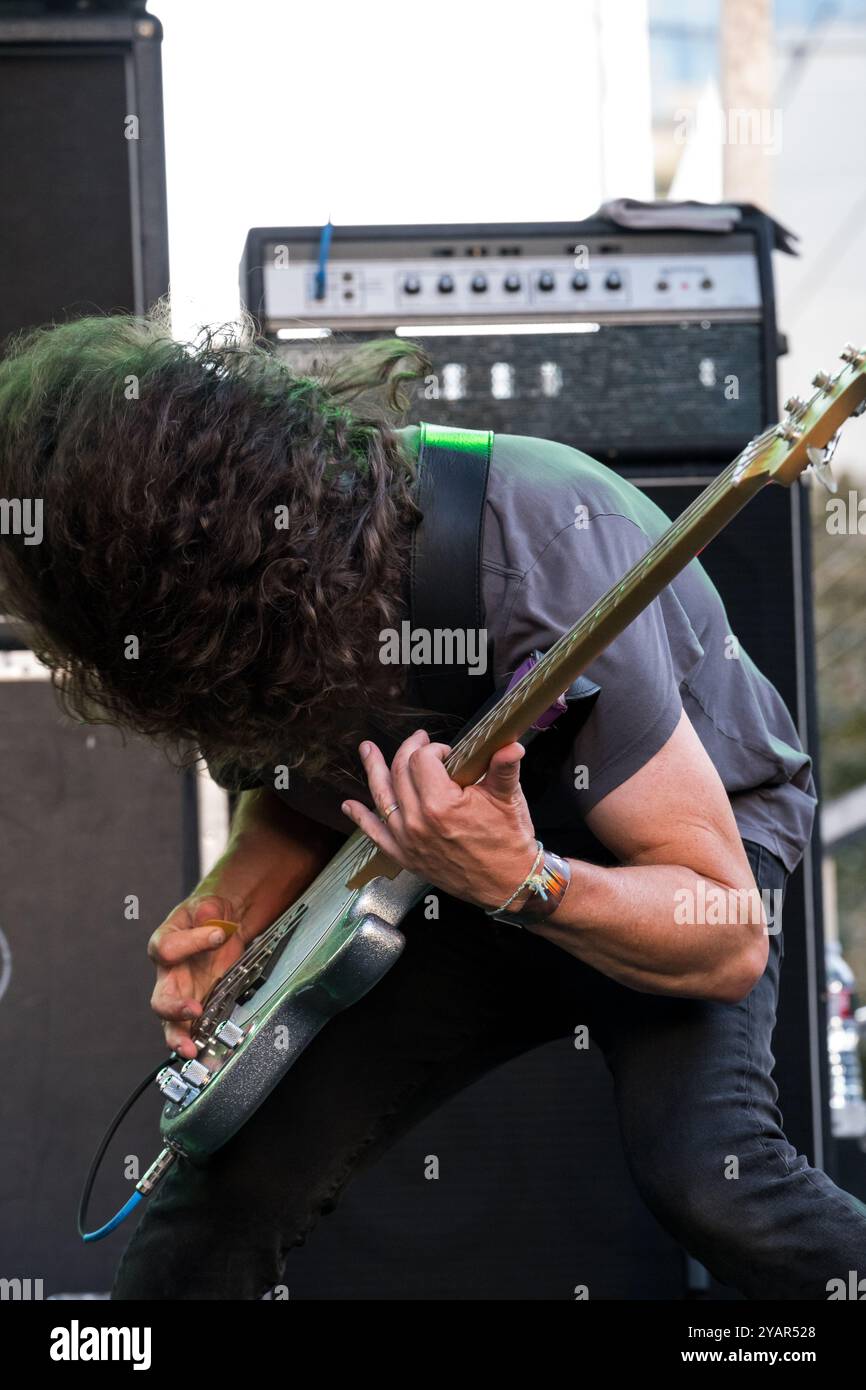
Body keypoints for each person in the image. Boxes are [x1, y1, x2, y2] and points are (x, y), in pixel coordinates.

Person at [0, 308, 863, 1301]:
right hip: (440, 882)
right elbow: (293, 793)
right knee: (210, 1212)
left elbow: (724, 939)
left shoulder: (533, 537)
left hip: (665, 877)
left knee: (717, 1185)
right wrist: (227, 913)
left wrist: (525, 880)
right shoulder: (209, 633)